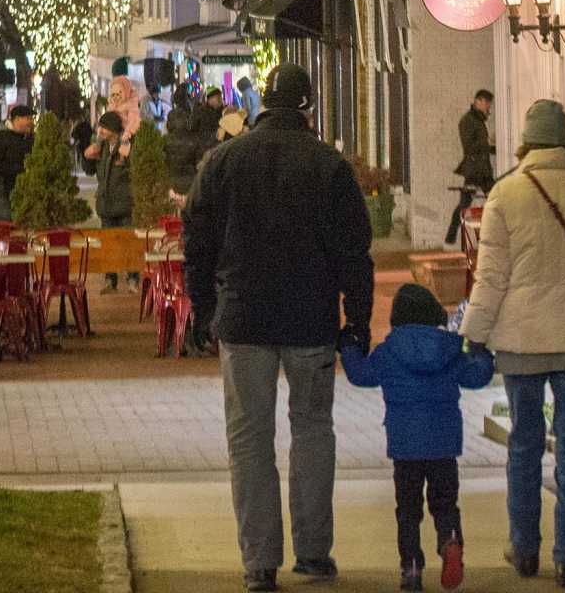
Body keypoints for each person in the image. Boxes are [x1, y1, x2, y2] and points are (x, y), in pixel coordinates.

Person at [183, 63, 374, 592]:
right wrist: (356, 320)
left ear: (264, 103)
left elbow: (195, 241)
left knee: (248, 440)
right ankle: (313, 552)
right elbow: (355, 253)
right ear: (308, 107)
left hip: (243, 318)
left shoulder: (224, 161)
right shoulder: (329, 166)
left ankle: (259, 562)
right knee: (313, 431)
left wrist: (203, 310)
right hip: (311, 320)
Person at [461, 100, 565, 590]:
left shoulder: (505, 196)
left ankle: (526, 549)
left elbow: (490, 278)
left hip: (522, 342)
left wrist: (473, 333)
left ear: (525, 143)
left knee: (525, 445)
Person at [343, 282, 495, 590]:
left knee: (408, 510)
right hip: (443, 444)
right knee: (445, 503)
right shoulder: (450, 349)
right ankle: (450, 538)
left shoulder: (388, 351)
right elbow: (477, 377)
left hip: (405, 447)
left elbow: (361, 376)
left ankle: (411, 568)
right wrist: (484, 354)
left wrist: (348, 346)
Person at [85, 109, 133, 288]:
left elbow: (132, 169)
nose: (101, 131)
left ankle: (132, 277)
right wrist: (88, 157)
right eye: (100, 127)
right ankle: (110, 279)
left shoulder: (126, 145)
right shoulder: (101, 146)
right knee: (108, 244)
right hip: (106, 203)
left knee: (128, 242)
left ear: (113, 128)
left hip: (124, 201)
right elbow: (90, 170)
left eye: (104, 127)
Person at [446, 89, 497, 245]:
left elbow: (480, 147)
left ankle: (452, 236)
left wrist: (494, 148)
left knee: (491, 199)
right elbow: (469, 147)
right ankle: (452, 235)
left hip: (482, 170)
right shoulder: (468, 121)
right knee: (466, 204)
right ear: (479, 101)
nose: (489, 107)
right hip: (475, 171)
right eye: (487, 104)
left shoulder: (478, 120)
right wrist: (488, 143)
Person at [0, 101, 36, 224]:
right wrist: (20, 170)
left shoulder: (30, 139)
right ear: (17, 119)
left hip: (23, 194)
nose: (31, 122)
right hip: (2, 193)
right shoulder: (1, 138)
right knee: (6, 228)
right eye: (28, 118)